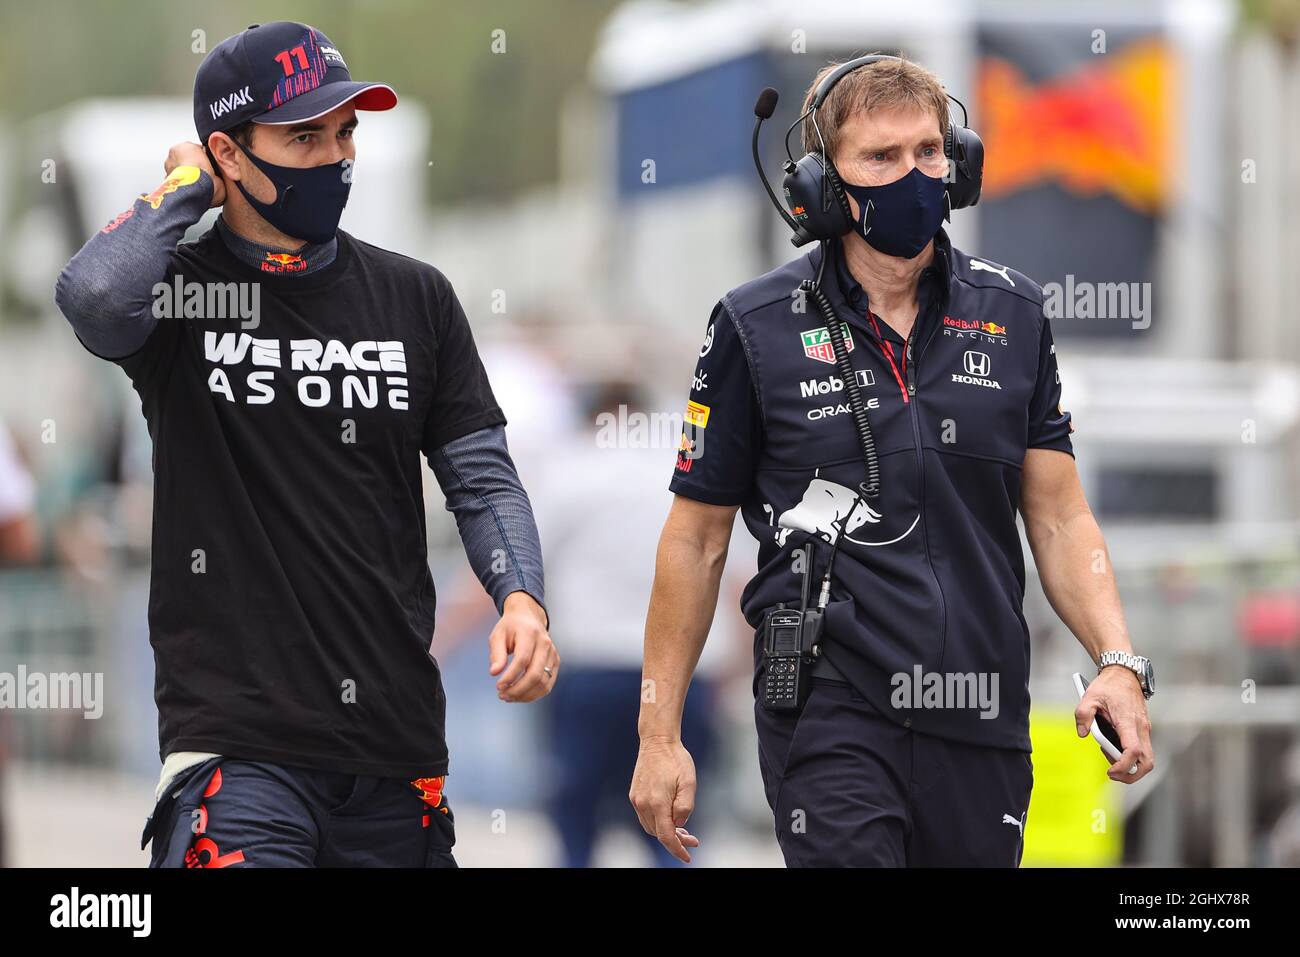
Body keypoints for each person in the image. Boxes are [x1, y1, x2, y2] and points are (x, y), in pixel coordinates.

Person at [631, 55, 1155, 867]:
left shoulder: (1013, 312)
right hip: (831, 712)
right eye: (881, 157)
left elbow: (1058, 515)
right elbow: (695, 540)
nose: (913, 174)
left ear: (961, 161)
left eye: (929, 152)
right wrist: (658, 734)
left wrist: (1117, 659)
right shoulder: (753, 325)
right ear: (819, 187)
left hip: (981, 712)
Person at [53, 21, 555, 867]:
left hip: (397, 756)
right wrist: (183, 190)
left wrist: (522, 599)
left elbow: (481, 476)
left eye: (346, 132)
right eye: (303, 136)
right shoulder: (180, 293)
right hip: (238, 756)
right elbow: (95, 296)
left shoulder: (416, 297)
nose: (335, 157)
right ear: (230, 154)